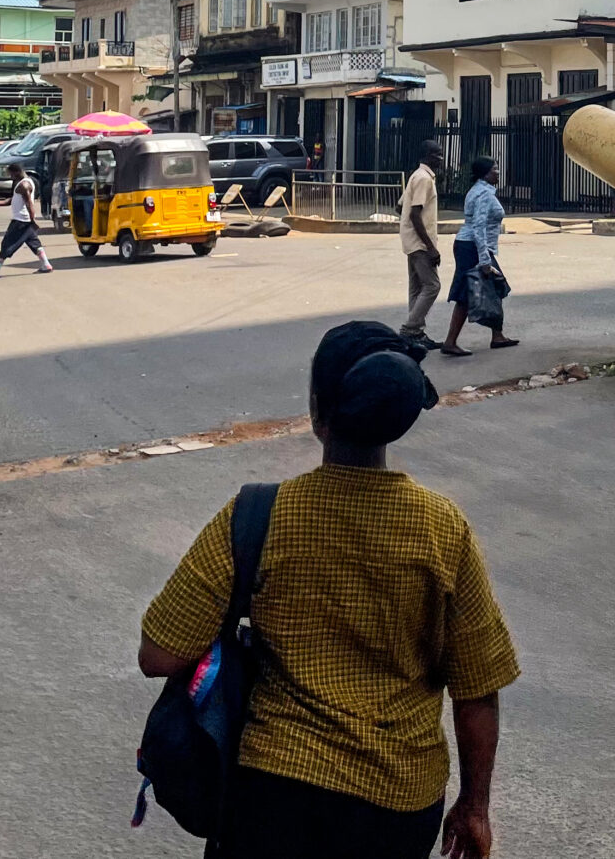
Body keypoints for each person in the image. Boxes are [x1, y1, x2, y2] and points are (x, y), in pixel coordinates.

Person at [139, 321, 518, 859]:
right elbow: (478, 687)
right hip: (398, 808)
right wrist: (475, 807)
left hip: (271, 794)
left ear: (318, 413)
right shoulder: (442, 529)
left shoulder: (259, 516)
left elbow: (158, 655)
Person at [437, 158, 517, 359]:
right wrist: (484, 261)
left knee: (496, 287)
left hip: (474, 246)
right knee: (467, 292)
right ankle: (450, 341)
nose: (498, 172)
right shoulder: (483, 194)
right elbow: (478, 228)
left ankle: (497, 335)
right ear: (485, 173)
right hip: (473, 247)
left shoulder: (481, 190)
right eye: (495, 170)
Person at [398, 141, 444, 349]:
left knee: (417, 288)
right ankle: (410, 329)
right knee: (433, 285)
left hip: (411, 240)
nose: (441, 159)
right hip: (420, 243)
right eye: (438, 155)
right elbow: (415, 213)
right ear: (428, 156)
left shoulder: (416, 176)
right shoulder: (424, 179)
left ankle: (416, 333)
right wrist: (430, 247)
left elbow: (400, 207)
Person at [0, 163, 53, 277]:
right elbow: (13, 199)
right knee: (34, 242)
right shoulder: (23, 183)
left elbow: (29, 203)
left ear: (16, 172)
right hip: (25, 221)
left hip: (21, 221)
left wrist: (32, 219)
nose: (10, 177)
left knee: (7, 244)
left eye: (11, 174)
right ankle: (46, 265)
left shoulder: (23, 185)